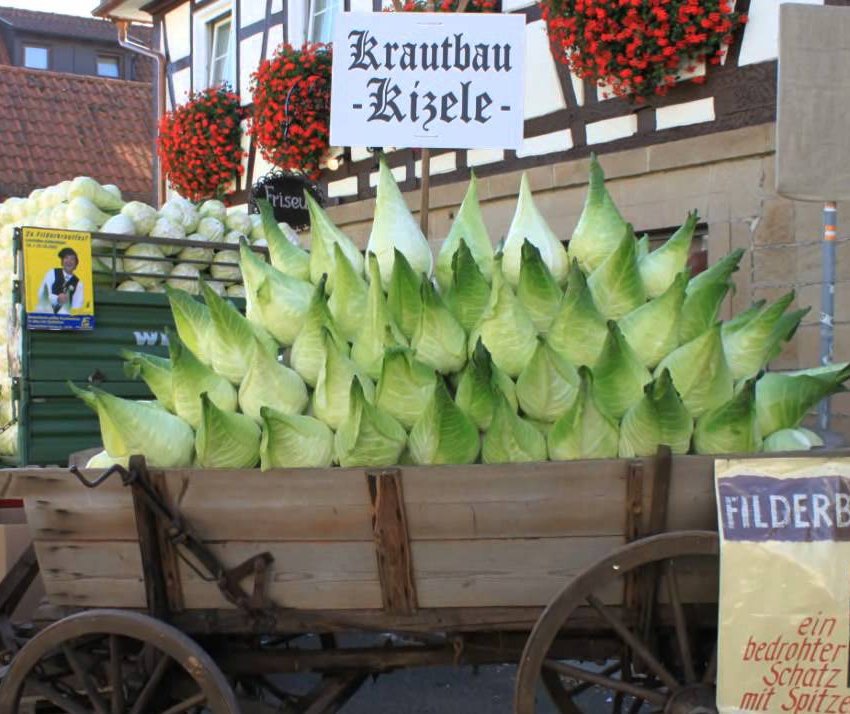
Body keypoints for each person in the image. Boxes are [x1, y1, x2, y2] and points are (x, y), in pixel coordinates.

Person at [39, 247, 84, 315]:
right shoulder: (52, 273)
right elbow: (42, 293)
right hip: (46, 313)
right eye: (66, 258)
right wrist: (57, 298)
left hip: (65, 316)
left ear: (76, 264)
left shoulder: (78, 283)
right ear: (62, 262)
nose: (69, 261)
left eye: (72, 259)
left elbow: (77, 305)